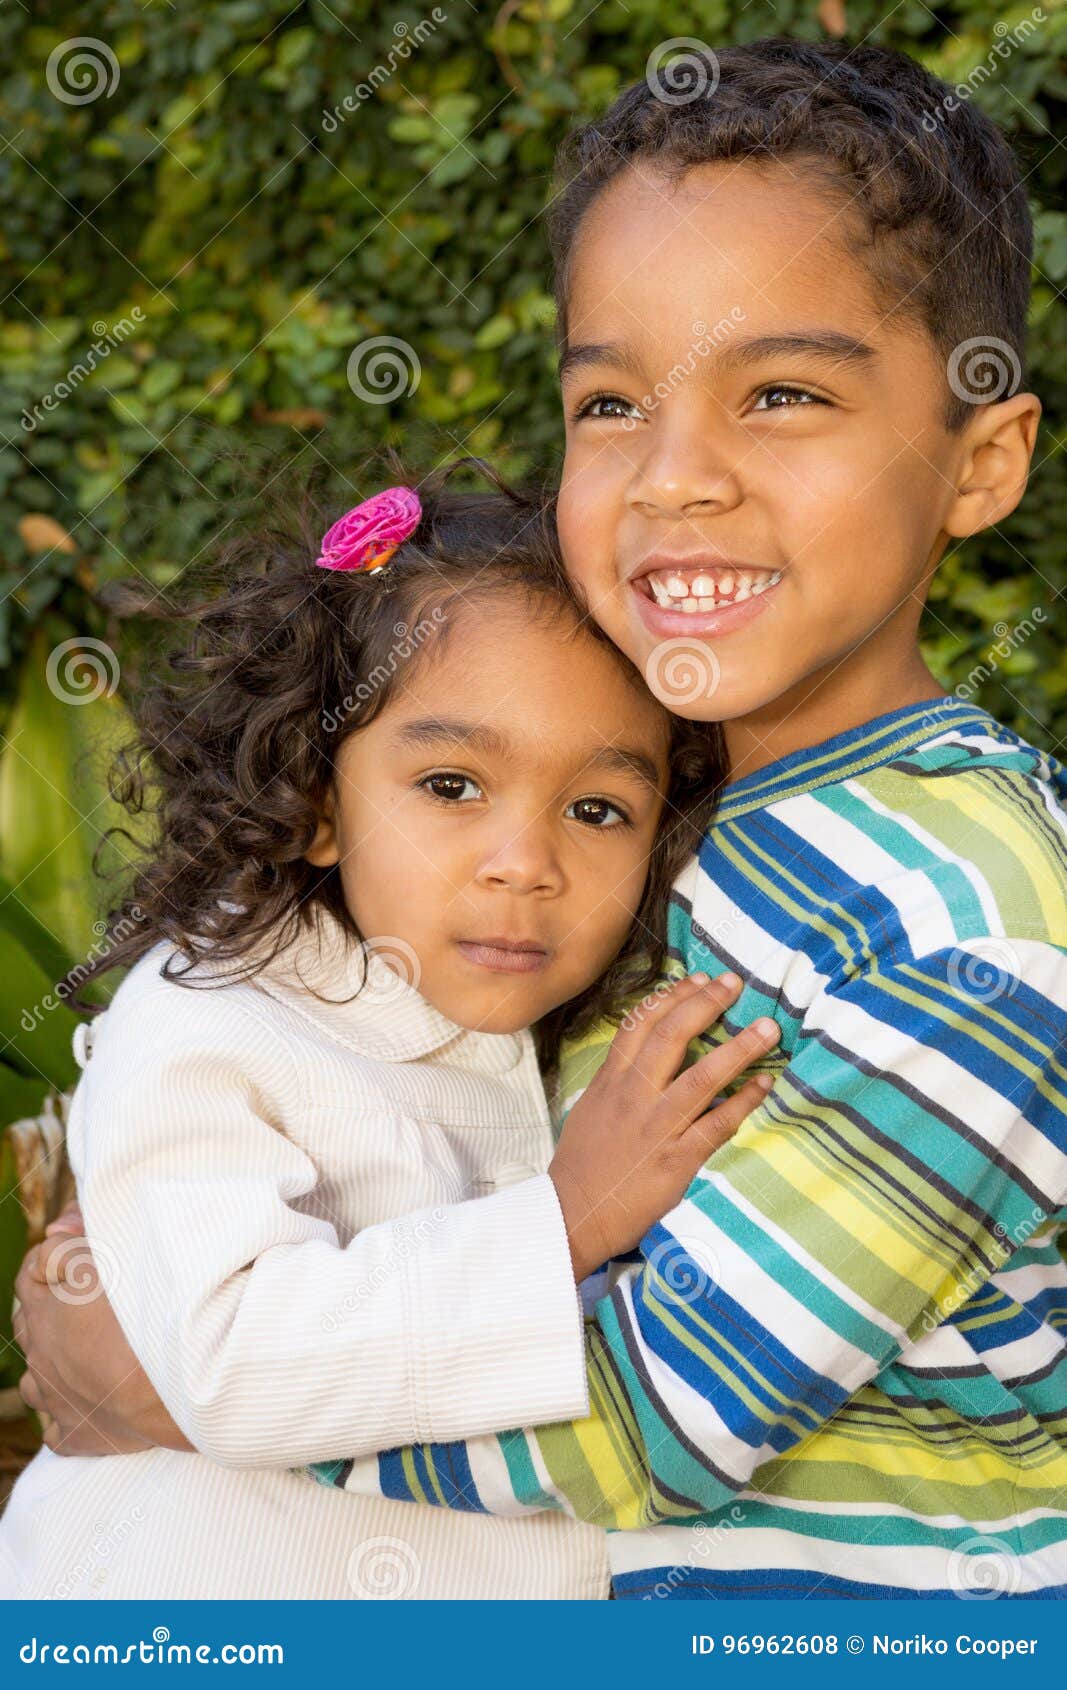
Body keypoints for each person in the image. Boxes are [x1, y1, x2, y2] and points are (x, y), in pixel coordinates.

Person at [14, 36, 1067, 1599]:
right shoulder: (649, 797)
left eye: (780, 393)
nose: (676, 477)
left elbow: (651, 1424)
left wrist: (185, 1381)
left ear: (977, 459)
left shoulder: (972, 920)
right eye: (610, 401)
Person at [0, 464, 779, 1600]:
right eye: (452, 783)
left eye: (597, 808)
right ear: (319, 798)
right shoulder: (208, 1021)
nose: (526, 861)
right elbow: (229, 1365)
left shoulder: (600, 1029)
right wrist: (563, 1221)